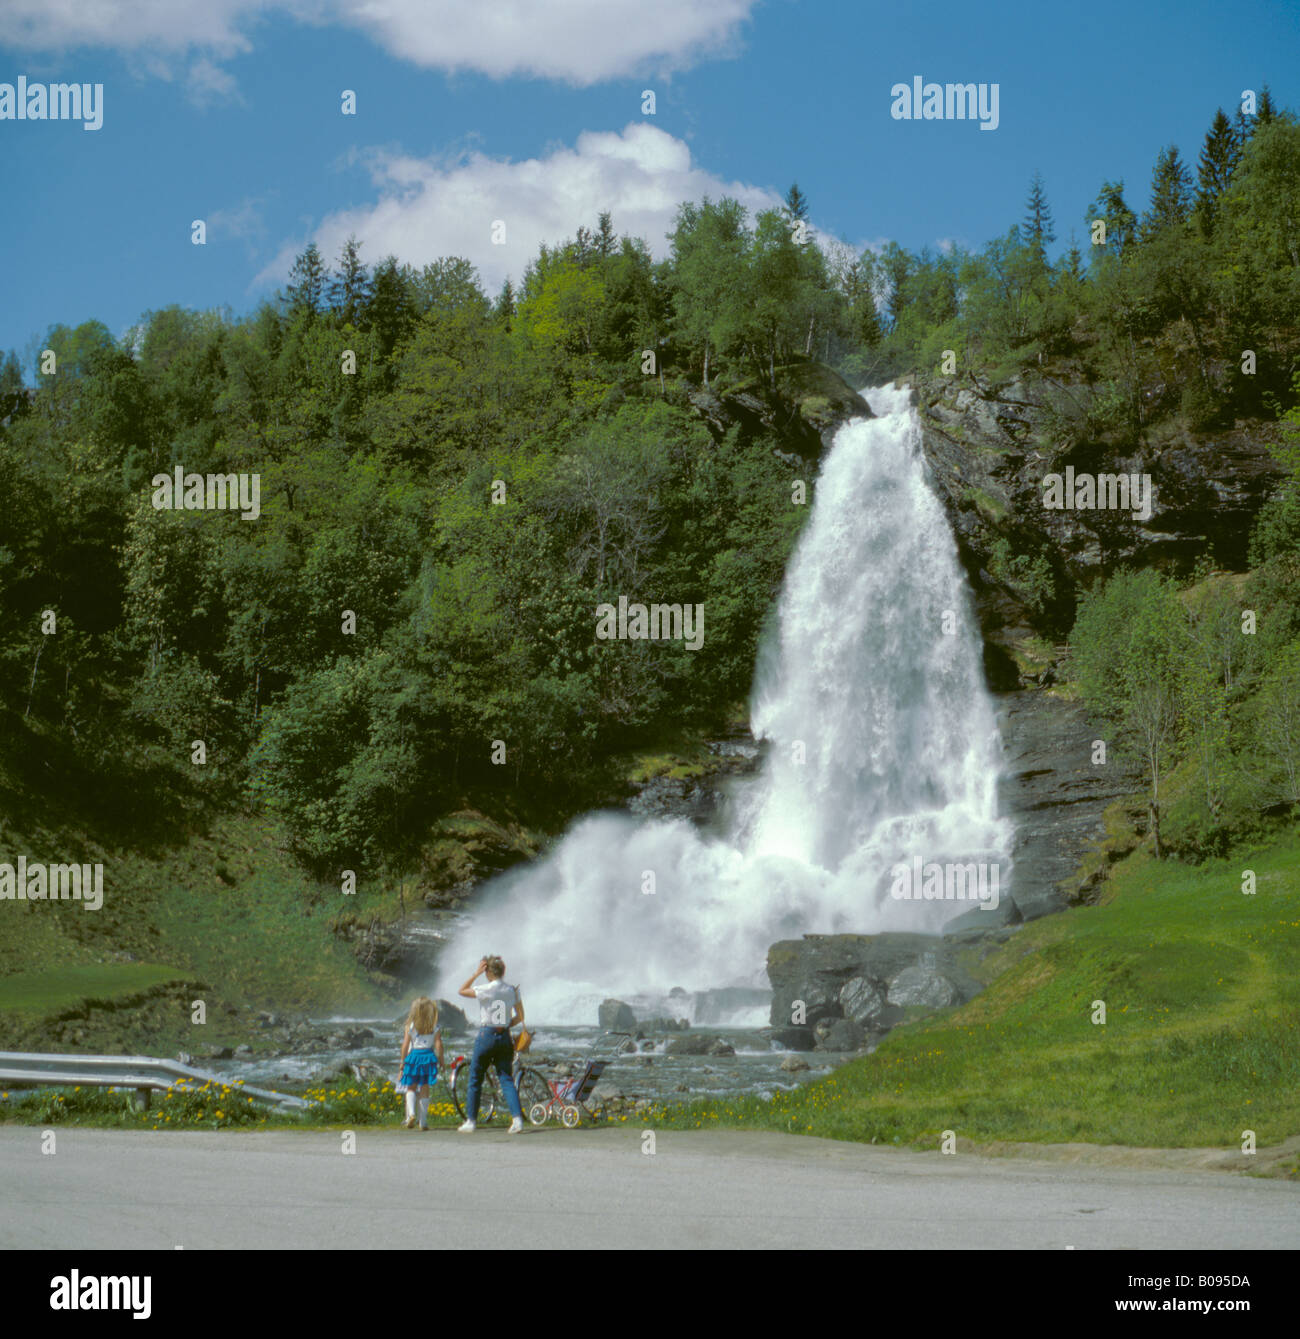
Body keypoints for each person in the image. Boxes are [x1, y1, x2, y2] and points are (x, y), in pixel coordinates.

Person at [456, 955, 525, 1134]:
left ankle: (471, 1121)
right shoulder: (512, 990)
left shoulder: (486, 989)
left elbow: (462, 990)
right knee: (506, 1079)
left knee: (475, 1078)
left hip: (486, 1035)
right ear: (503, 971)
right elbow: (520, 1016)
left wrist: (476, 973)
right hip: (504, 1037)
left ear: (488, 972)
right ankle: (517, 1120)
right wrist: (506, 1024)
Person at [397, 996, 444, 1130]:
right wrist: (441, 1060)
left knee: (411, 1087)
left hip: (414, 1056)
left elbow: (405, 1045)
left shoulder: (410, 1026)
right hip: (428, 1057)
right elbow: (439, 1045)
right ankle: (422, 1122)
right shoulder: (435, 1027)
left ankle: (411, 1114)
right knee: (424, 1088)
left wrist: (402, 1062)